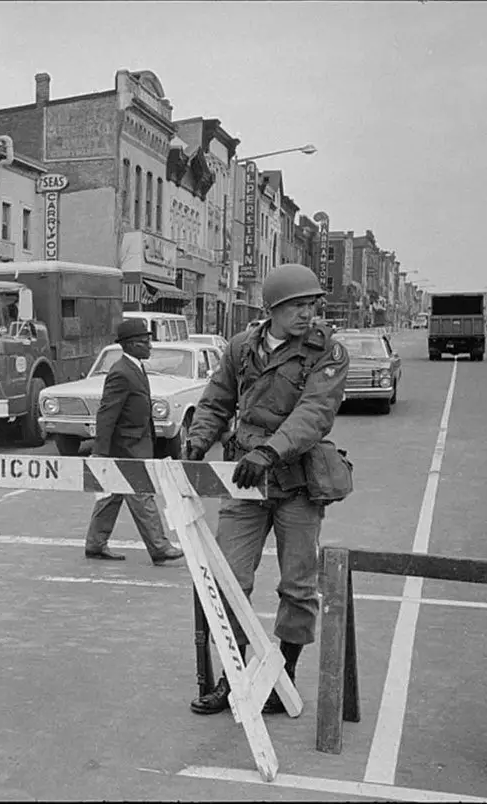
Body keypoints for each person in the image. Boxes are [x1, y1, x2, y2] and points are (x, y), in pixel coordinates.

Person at [181, 264, 350, 716]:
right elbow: (217, 400)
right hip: (245, 482)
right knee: (229, 582)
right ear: (271, 309)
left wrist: (270, 453)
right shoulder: (242, 348)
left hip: (295, 481)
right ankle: (232, 678)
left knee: (297, 586)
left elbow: (314, 412)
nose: (306, 314)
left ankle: (283, 676)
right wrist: (198, 440)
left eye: (310, 304)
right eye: (296, 305)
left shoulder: (326, 352)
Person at [84, 318, 185, 565]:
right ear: (129, 345)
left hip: (136, 444)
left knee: (112, 496)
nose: (150, 346)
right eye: (144, 342)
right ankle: (160, 547)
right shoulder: (120, 372)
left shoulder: (135, 367)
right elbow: (107, 413)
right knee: (142, 494)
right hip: (126, 447)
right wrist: (100, 452)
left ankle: (95, 544)